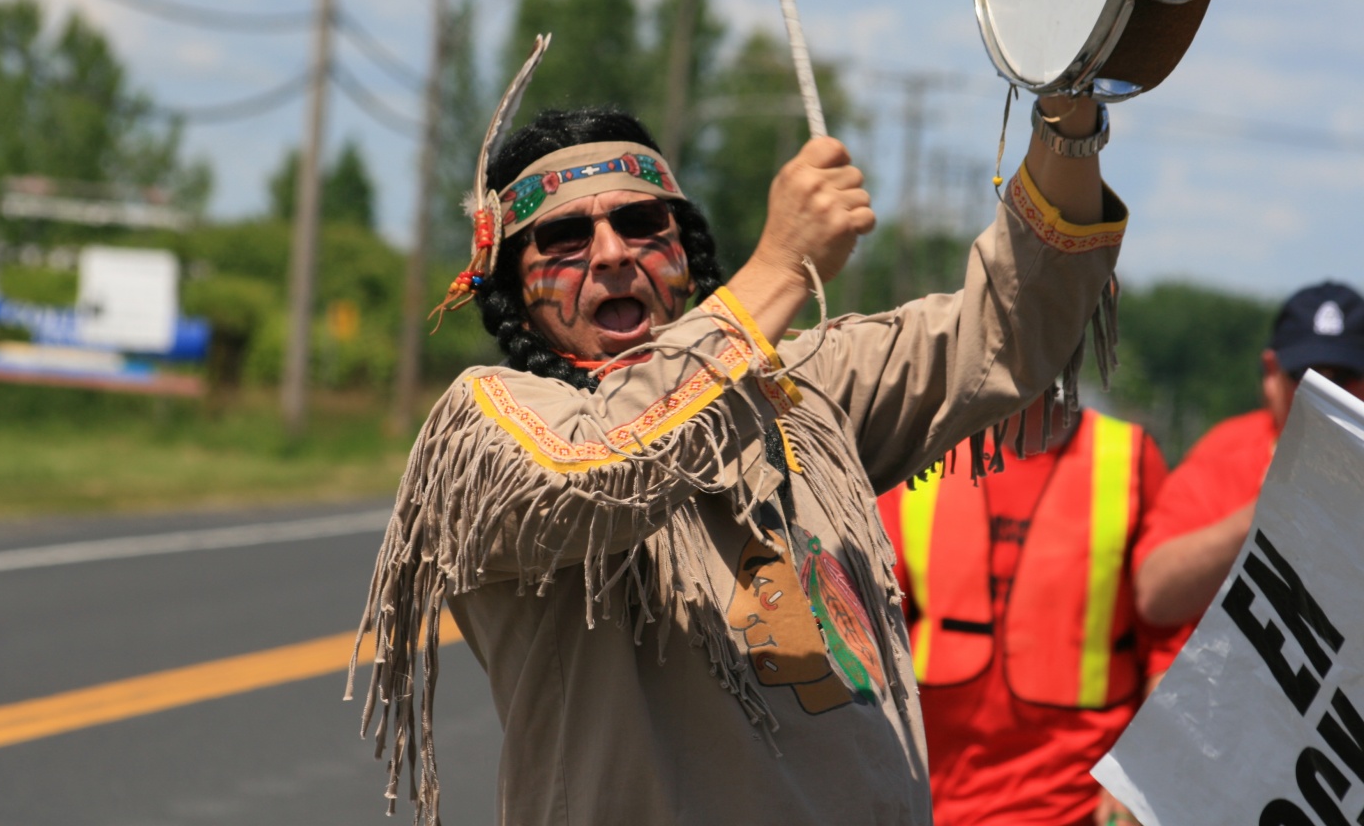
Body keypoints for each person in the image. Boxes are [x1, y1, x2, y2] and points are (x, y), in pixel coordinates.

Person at [349, 60, 1128, 825]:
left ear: (685, 255)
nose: (614, 253)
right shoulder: (487, 425)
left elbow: (1007, 331)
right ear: (516, 291)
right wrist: (782, 265)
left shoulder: (794, 389)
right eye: (562, 239)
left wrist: (1071, 109)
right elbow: (593, 468)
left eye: (642, 223)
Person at [877, 394, 1187, 826]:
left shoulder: (1129, 457)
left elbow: (1168, 641)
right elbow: (866, 632)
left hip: (1079, 806)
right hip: (931, 799)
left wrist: (1140, 773)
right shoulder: (919, 453)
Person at [1133, 281, 1364, 629]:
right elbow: (1154, 597)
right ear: (1271, 372)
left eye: (1344, 376)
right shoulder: (1224, 451)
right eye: (1307, 375)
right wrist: (1274, 504)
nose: (1325, 393)